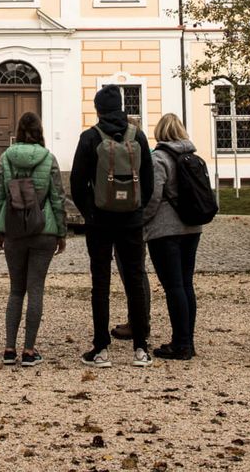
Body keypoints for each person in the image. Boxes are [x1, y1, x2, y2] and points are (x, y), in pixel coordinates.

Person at [69, 84, 155, 367]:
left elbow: (77, 184)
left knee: (100, 283)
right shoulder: (138, 136)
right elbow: (149, 180)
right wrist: (138, 210)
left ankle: (101, 349)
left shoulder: (90, 137)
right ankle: (141, 348)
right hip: (131, 219)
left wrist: (90, 214)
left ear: (98, 109)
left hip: (100, 222)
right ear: (121, 107)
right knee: (134, 281)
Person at [0, 111, 66, 367]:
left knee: (15, 290)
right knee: (36, 291)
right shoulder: (49, 158)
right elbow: (57, 197)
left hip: (13, 229)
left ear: (18, 132)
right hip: (43, 229)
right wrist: (62, 232)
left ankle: (9, 349)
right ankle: (29, 350)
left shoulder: (6, 157)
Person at [143, 113, 206, 360]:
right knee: (186, 283)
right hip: (192, 227)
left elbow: (154, 196)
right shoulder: (195, 157)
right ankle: (188, 340)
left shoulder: (159, 158)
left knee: (174, 286)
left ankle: (180, 344)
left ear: (160, 133)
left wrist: (142, 221)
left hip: (165, 231)